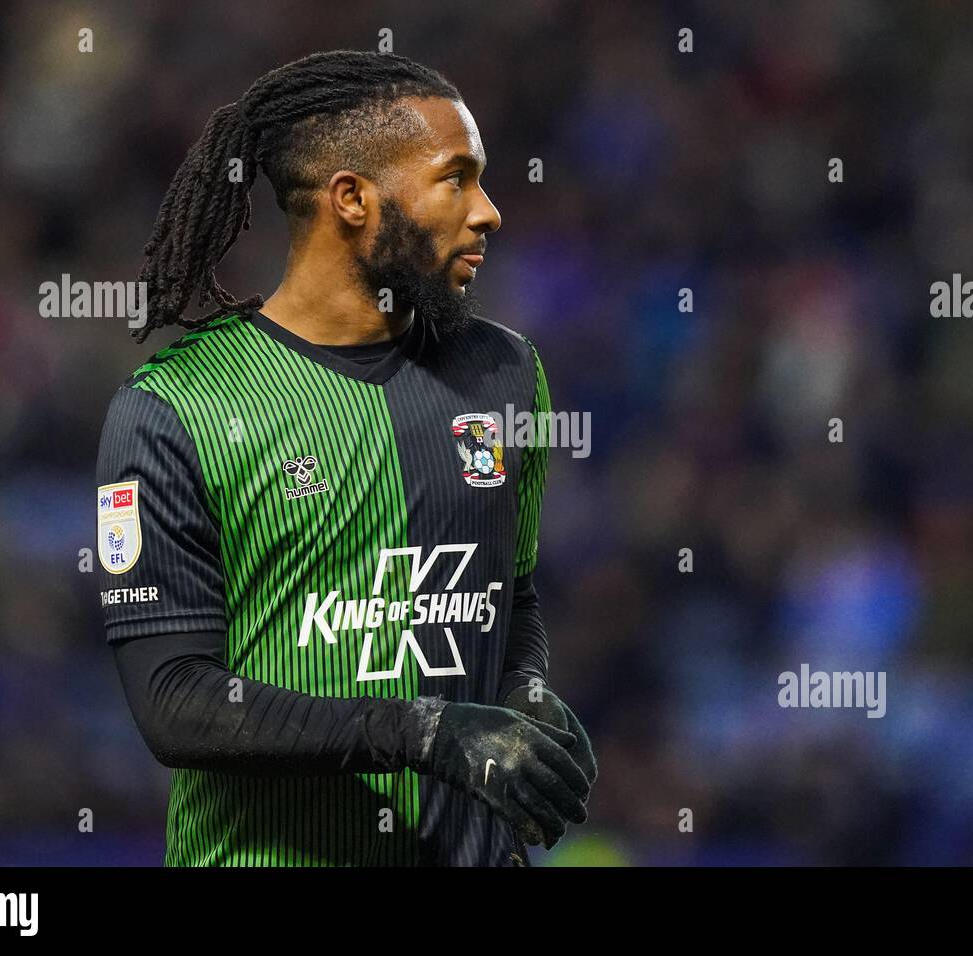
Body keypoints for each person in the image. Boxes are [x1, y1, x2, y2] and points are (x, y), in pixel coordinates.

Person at [94, 50, 596, 866]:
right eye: (456, 178)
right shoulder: (177, 407)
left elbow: (511, 595)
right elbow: (173, 701)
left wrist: (522, 693)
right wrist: (424, 731)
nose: (489, 212)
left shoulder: (506, 375)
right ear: (353, 199)